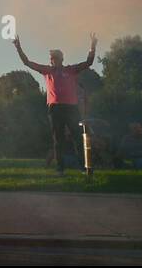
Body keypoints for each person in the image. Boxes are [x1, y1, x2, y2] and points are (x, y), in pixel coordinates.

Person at [13, 33, 97, 173]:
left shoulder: (70, 70)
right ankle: (60, 168)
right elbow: (27, 62)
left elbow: (88, 63)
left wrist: (92, 46)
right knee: (58, 140)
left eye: (56, 58)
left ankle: (84, 167)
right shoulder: (47, 71)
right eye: (51, 58)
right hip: (55, 108)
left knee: (77, 137)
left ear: (62, 59)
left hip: (71, 107)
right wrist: (18, 48)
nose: (53, 60)